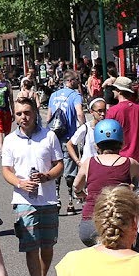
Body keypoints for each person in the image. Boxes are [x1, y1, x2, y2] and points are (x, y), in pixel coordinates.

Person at [1, 96, 64, 276]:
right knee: (31, 246)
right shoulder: (10, 140)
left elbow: (59, 165)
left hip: (47, 199)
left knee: (47, 246)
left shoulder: (49, 136)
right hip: (23, 201)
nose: (23, 117)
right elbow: (6, 170)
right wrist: (20, 183)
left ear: (35, 112)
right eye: (19, 114)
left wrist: (46, 176)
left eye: (27, 112)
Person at [48, 72, 85, 212]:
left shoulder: (54, 95)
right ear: (70, 81)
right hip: (69, 136)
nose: (78, 82)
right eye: (77, 80)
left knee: (56, 165)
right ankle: (70, 202)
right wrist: (84, 128)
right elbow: (80, 113)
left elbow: (49, 117)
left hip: (54, 136)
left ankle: (57, 199)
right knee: (70, 169)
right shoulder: (75, 96)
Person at [104, 77, 139, 166]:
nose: (113, 91)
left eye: (115, 89)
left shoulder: (113, 111)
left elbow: (107, 135)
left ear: (119, 91)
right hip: (137, 157)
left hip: (118, 157)